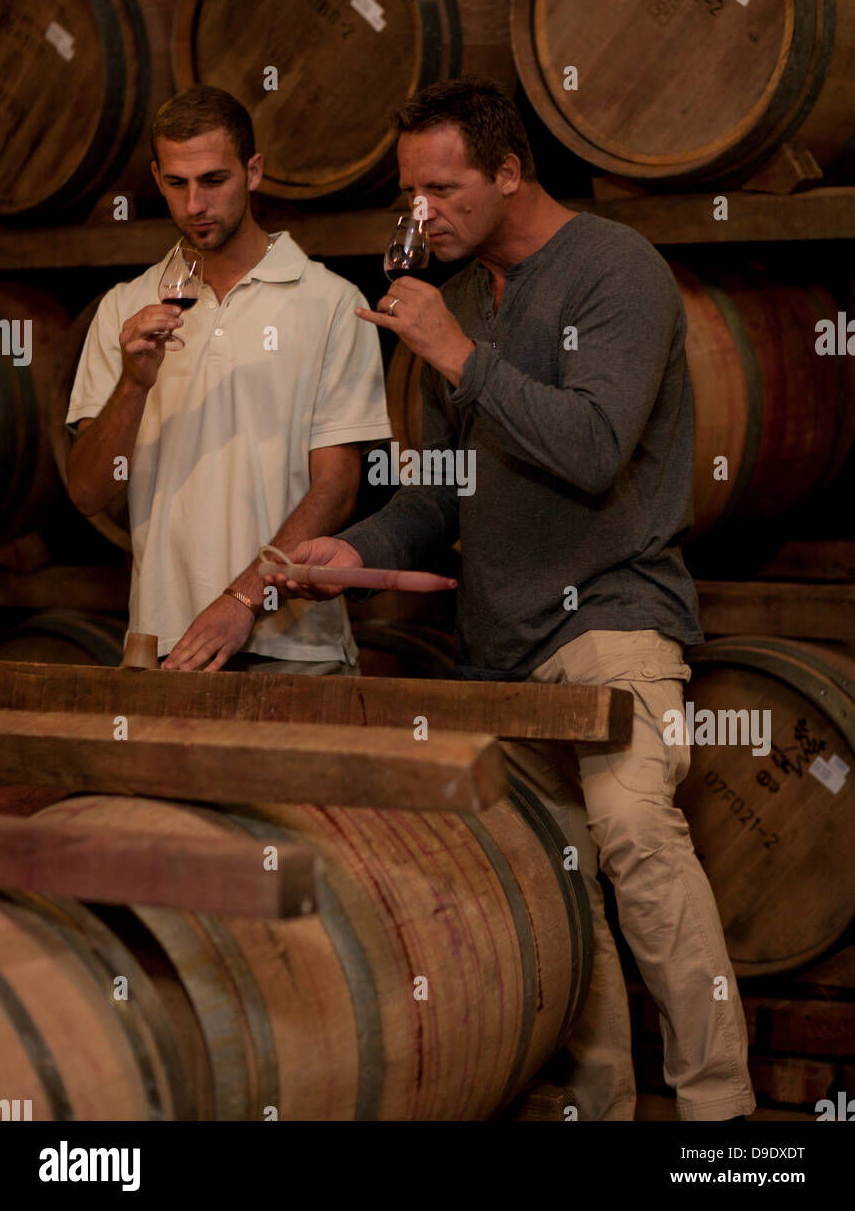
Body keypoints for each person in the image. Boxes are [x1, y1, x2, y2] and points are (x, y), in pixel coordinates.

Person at [268, 76, 756, 1121]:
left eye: (443, 190)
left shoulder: (613, 270)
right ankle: (601, 1111)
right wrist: (351, 551)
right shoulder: (464, 299)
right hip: (500, 649)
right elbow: (436, 496)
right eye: (409, 193)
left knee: (634, 833)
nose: (422, 213)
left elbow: (594, 445)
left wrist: (455, 354)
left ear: (507, 171)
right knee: (554, 885)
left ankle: (721, 1119)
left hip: (615, 618)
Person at [67, 85, 391, 674]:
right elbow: (90, 492)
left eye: (214, 180)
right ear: (156, 178)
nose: (195, 203)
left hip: (297, 650)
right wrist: (134, 385)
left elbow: (337, 489)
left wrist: (243, 599)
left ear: (253, 171)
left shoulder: (332, 303)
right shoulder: (124, 306)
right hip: (166, 645)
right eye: (177, 183)